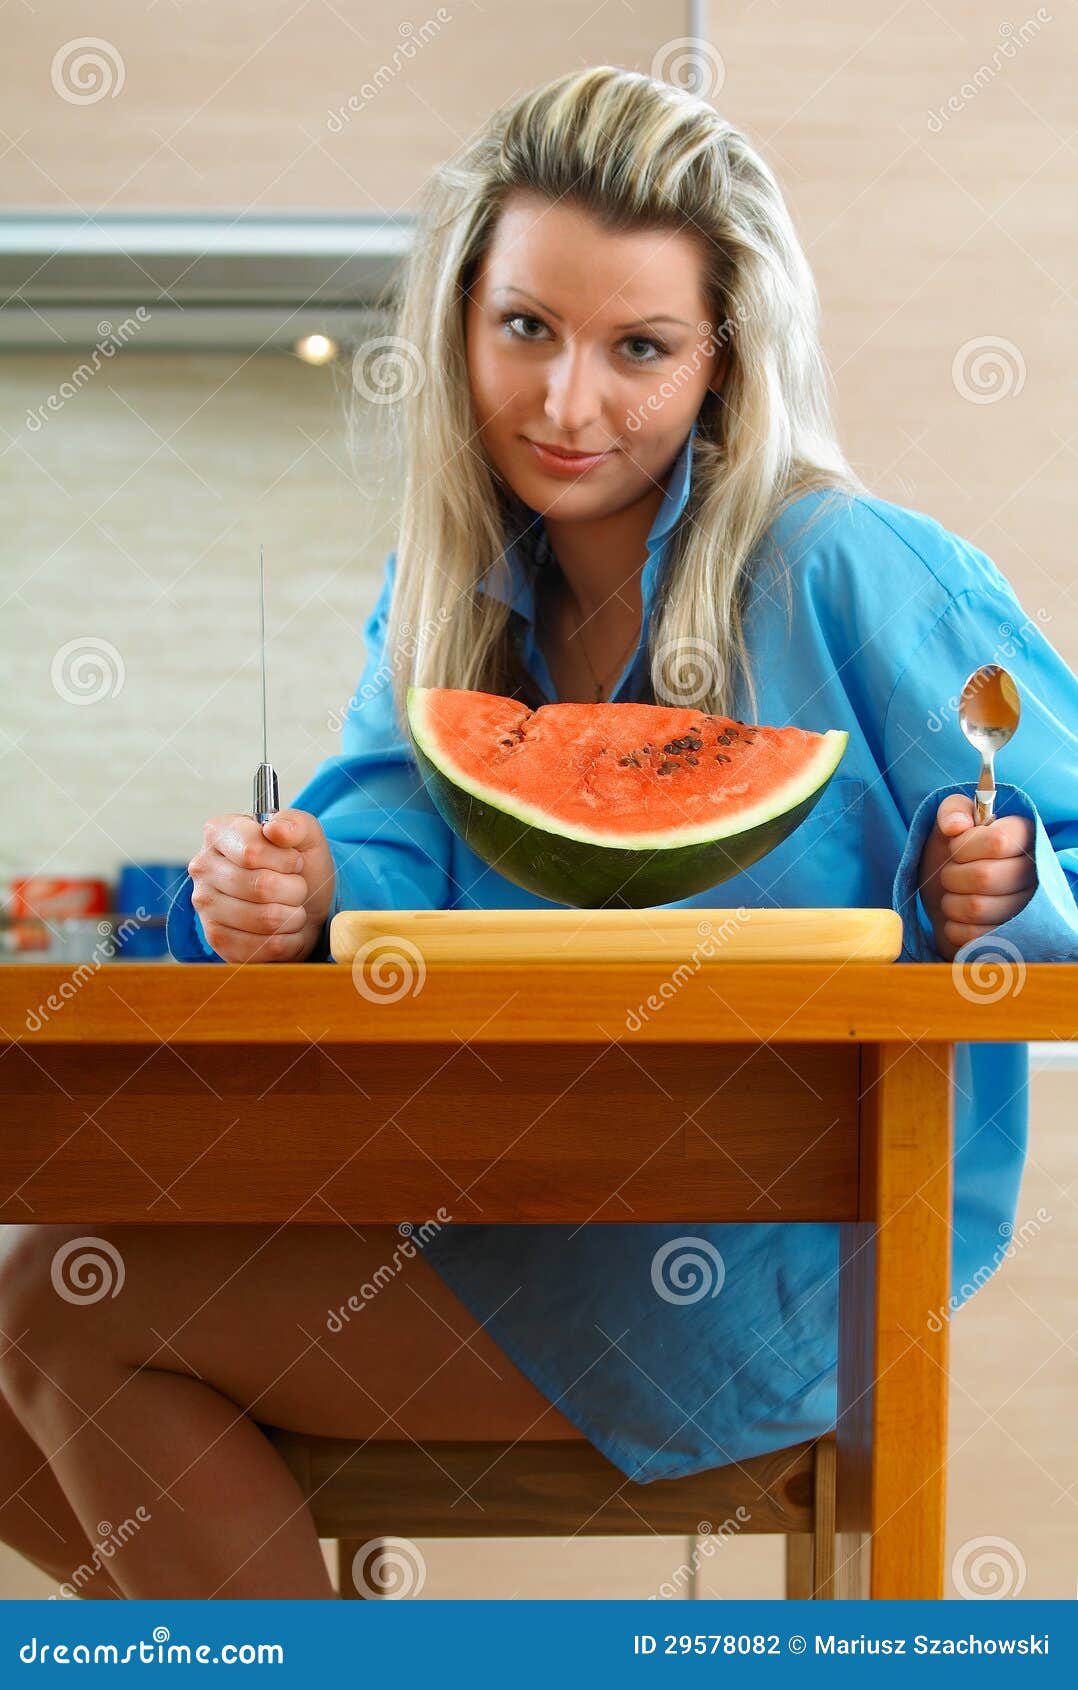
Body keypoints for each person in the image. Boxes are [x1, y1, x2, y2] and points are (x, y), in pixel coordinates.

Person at [2, 66, 1076, 1602]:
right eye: (526, 329)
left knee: (54, 1305)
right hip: (500, 1193)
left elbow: (1072, 849)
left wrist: (1016, 882)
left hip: (773, 1255)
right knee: (14, 1361)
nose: (567, 403)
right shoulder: (441, 588)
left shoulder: (849, 567)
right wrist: (301, 890)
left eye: (637, 348)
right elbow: (388, 838)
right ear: (459, 321)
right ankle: (314, 1630)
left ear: (722, 363)